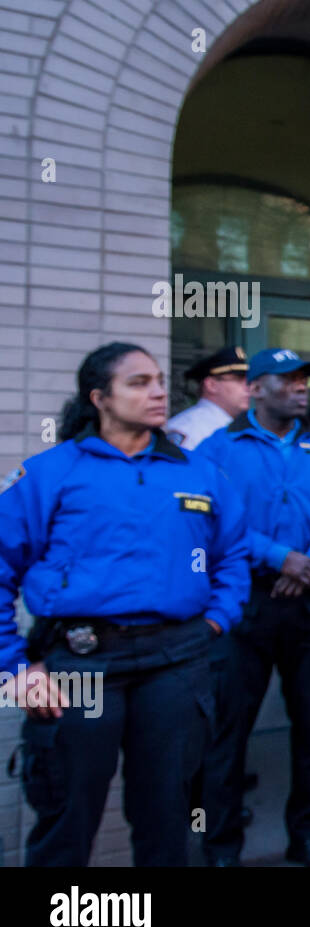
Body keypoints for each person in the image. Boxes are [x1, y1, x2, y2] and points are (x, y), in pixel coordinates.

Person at [0, 342, 250, 866]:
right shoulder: (50, 473)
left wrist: (216, 621)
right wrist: (13, 667)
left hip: (177, 662)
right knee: (66, 818)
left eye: (159, 380)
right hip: (84, 664)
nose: (158, 390)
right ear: (100, 398)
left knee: (166, 818)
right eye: (138, 382)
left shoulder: (197, 472)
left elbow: (232, 556)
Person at [193, 348, 310, 866]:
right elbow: (216, 520)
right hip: (245, 603)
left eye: (304, 379)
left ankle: (306, 834)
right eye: (288, 380)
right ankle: (221, 846)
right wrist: (279, 557)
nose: (301, 387)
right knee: (227, 732)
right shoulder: (217, 449)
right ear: (256, 388)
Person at [165, 346, 250, 450]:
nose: (248, 387)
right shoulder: (189, 428)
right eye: (238, 380)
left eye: (248, 381)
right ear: (211, 385)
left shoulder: (236, 426)